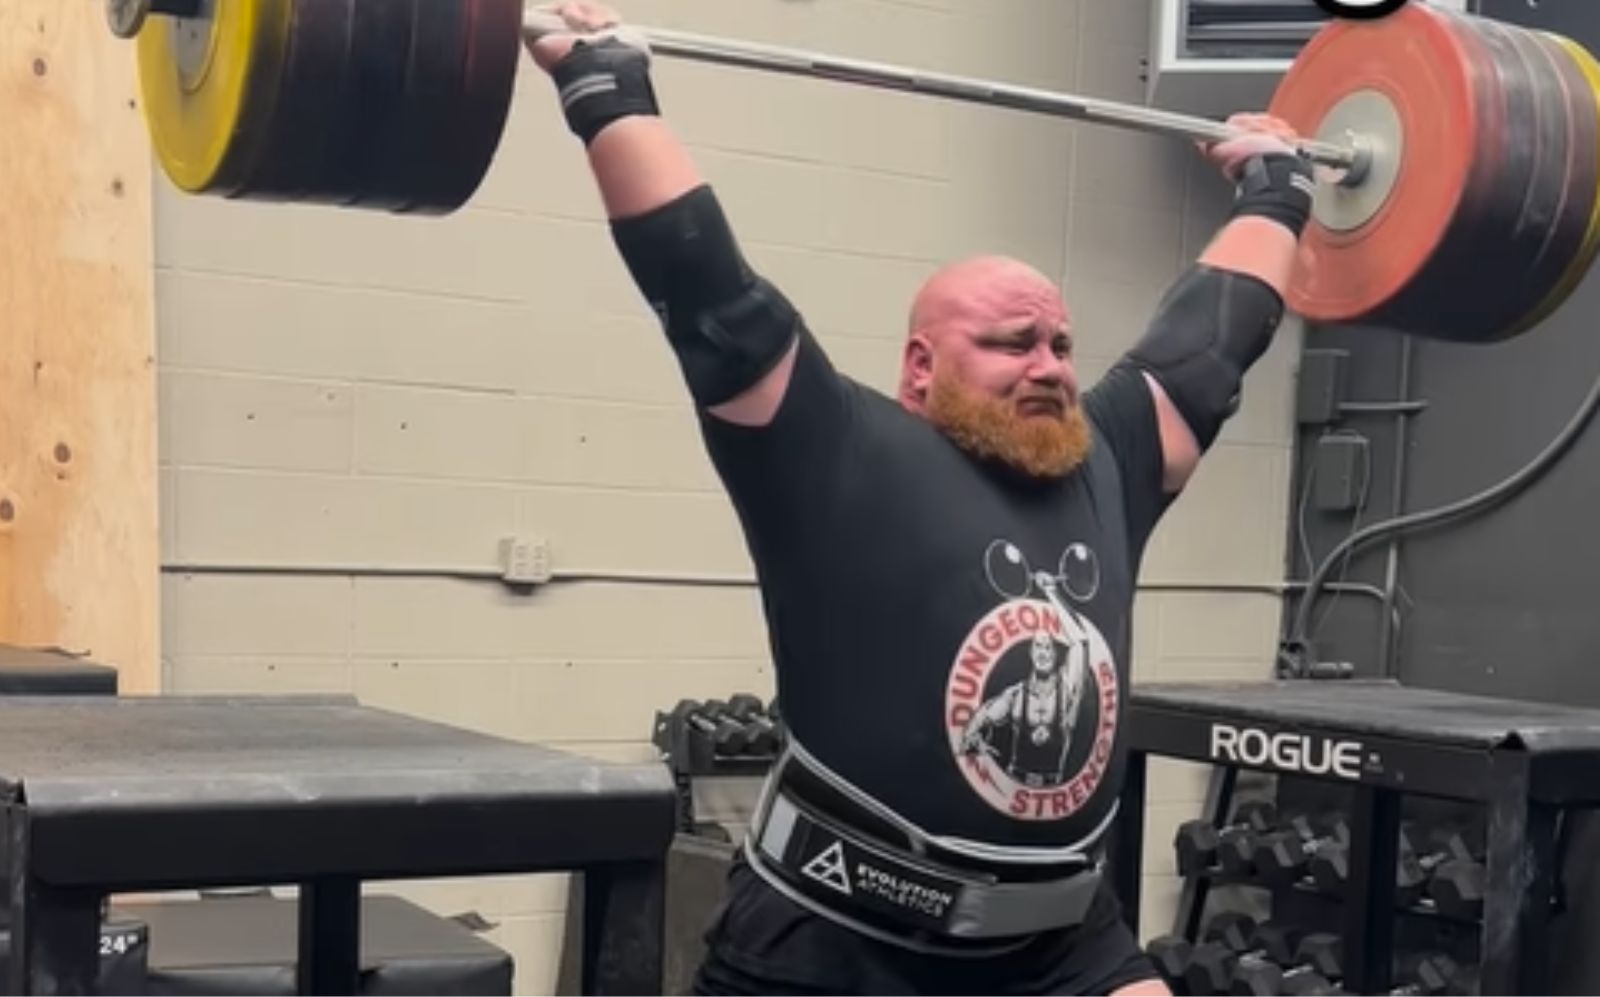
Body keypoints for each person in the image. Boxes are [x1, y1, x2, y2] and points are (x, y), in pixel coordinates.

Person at [526, 4, 1313, 994]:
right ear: (918, 366)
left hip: (1061, 946)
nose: (1048, 366)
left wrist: (1275, 190)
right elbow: (711, 297)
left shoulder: (1106, 459)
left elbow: (1214, 339)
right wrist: (606, 92)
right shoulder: (834, 449)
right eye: (1010, 343)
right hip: (837, 942)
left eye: (1061, 344)